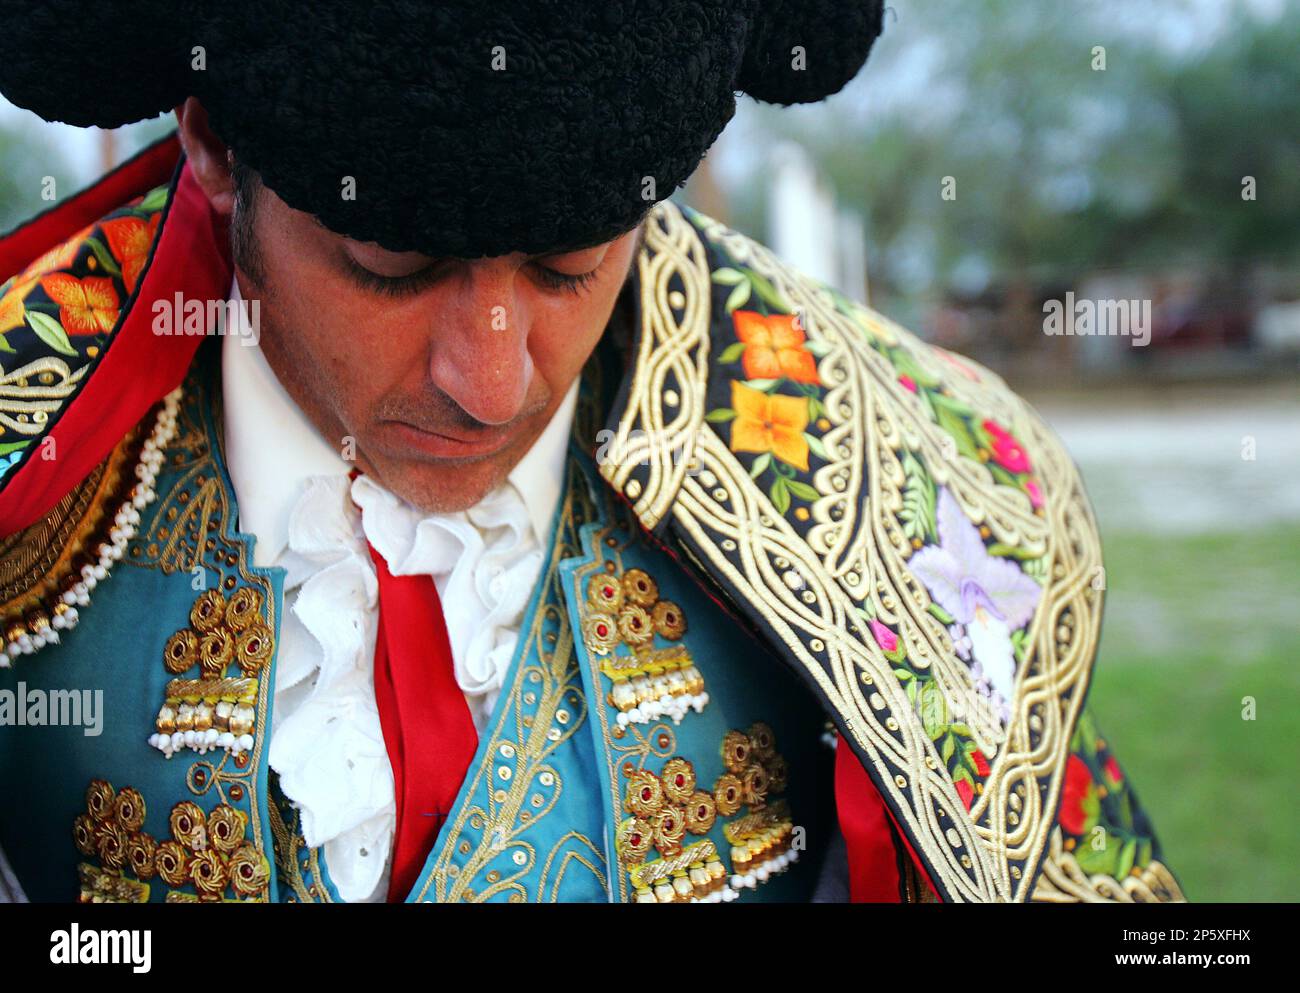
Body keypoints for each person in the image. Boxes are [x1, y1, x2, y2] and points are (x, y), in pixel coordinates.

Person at [0, 0, 1183, 904]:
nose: (491, 376)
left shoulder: (903, 470)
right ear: (214, 154)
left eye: (571, 265)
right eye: (393, 268)